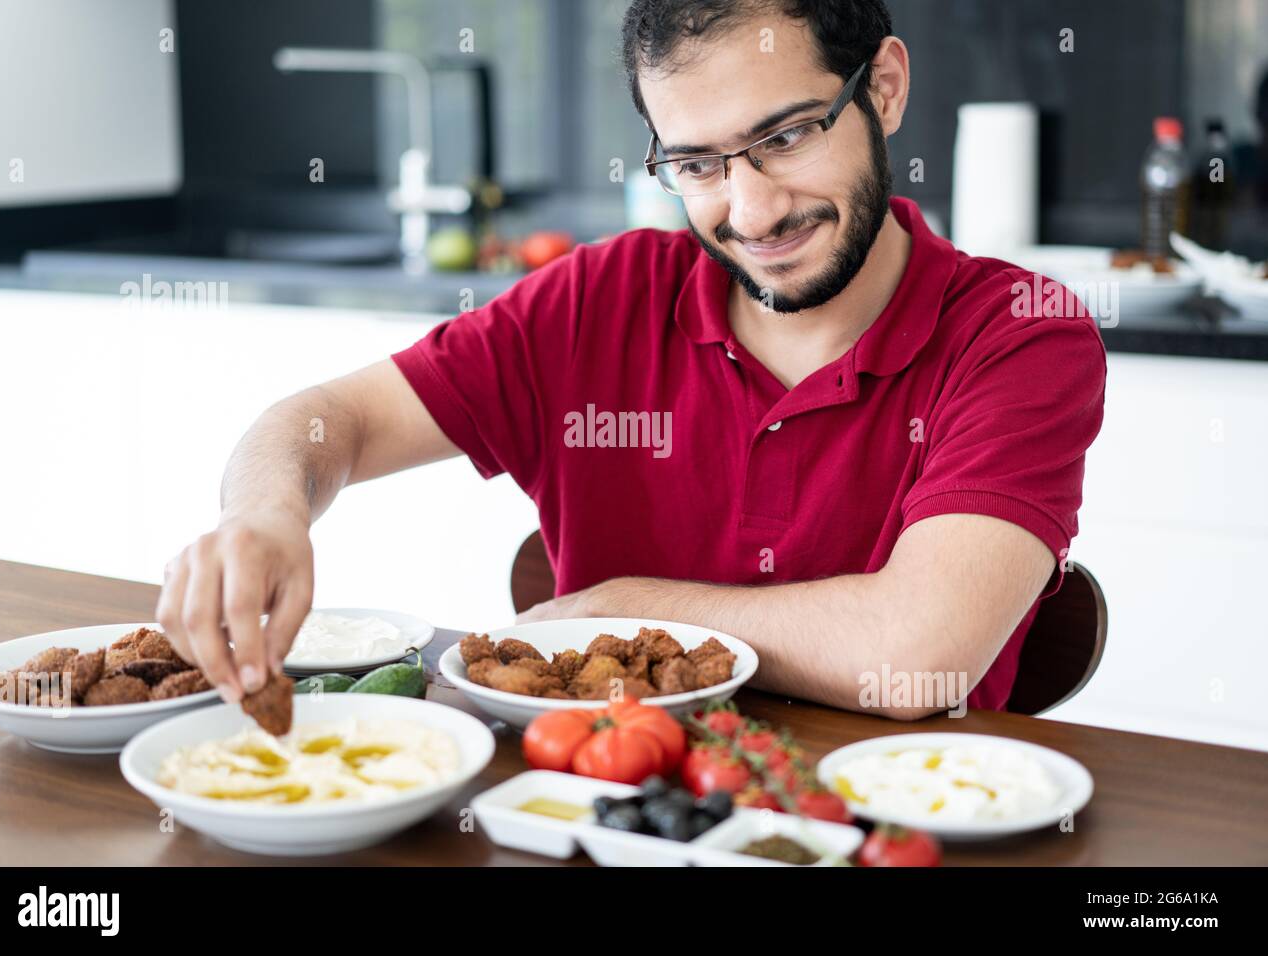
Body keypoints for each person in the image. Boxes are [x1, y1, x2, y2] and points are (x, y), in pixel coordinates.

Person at [157, 0, 1105, 718]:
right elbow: (328, 421)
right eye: (697, 164)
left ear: (885, 88)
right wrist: (269, 514)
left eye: (785, 137)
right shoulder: (595, 300)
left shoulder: (1018, 333)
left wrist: (615, 607)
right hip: (586, 813)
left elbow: (923, 650)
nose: (753, 210)